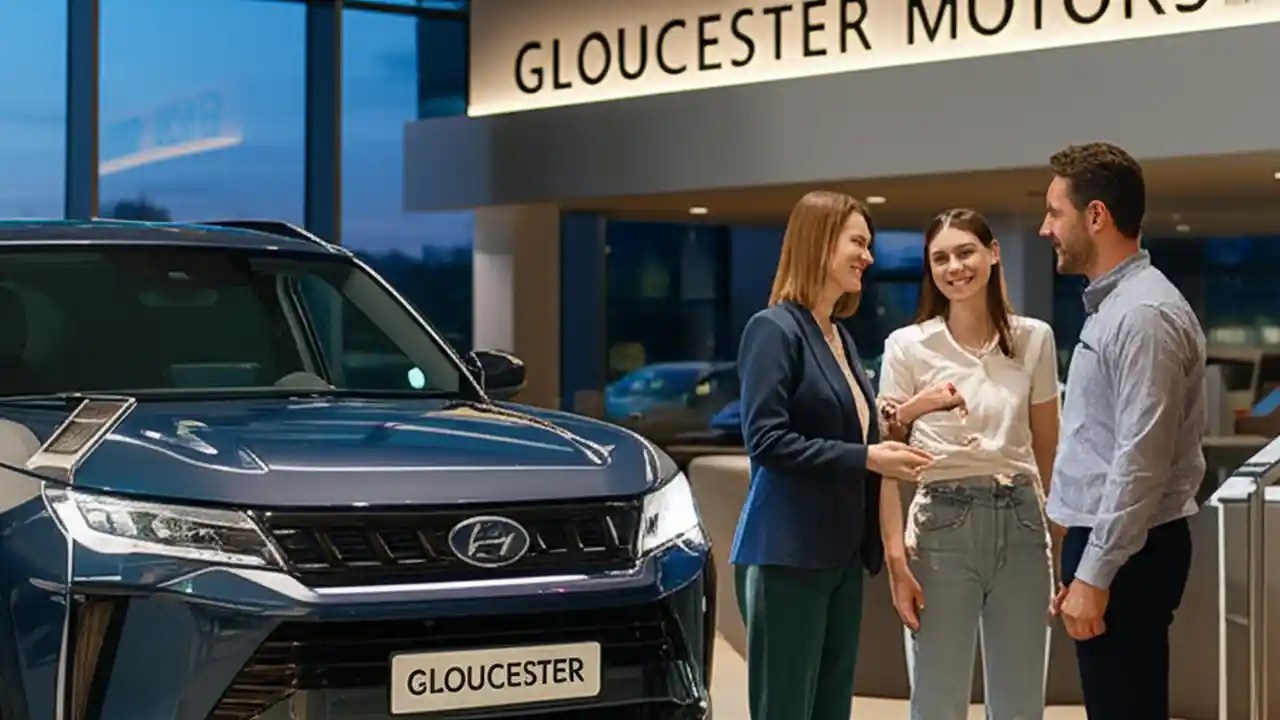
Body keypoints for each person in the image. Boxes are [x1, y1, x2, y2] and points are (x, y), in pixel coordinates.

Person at [732, 190, 935, 720]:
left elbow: (850, 432)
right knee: (785, 708)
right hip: (789, 555)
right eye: (858, 242)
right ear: (819, 242)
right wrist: (868, 458)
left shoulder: (838, 337)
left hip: (842, 556)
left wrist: (891, 430)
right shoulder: (773, 329)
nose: (868, 256)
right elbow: (767, 442)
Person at [1040, 142, 1206, 719]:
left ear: (1096, 217)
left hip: (1129, 551)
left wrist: (1095, 571)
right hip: (1116, 545)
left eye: (1055, 212)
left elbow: (1140, 460)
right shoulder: (1115, 307)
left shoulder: (1142, 316)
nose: (1045, 229)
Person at [875, 208, 1062, 720]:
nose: (954, 267)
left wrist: (1061, 544)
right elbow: (885, 452)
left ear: (993, 253)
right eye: (940, 258)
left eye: (965, 252)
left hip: (1023, 521)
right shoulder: (908, 345)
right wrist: (895, 562)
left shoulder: (1033, 339)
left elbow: (1047, 449)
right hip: (941, 525)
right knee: (936, 700)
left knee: (1021, 702)